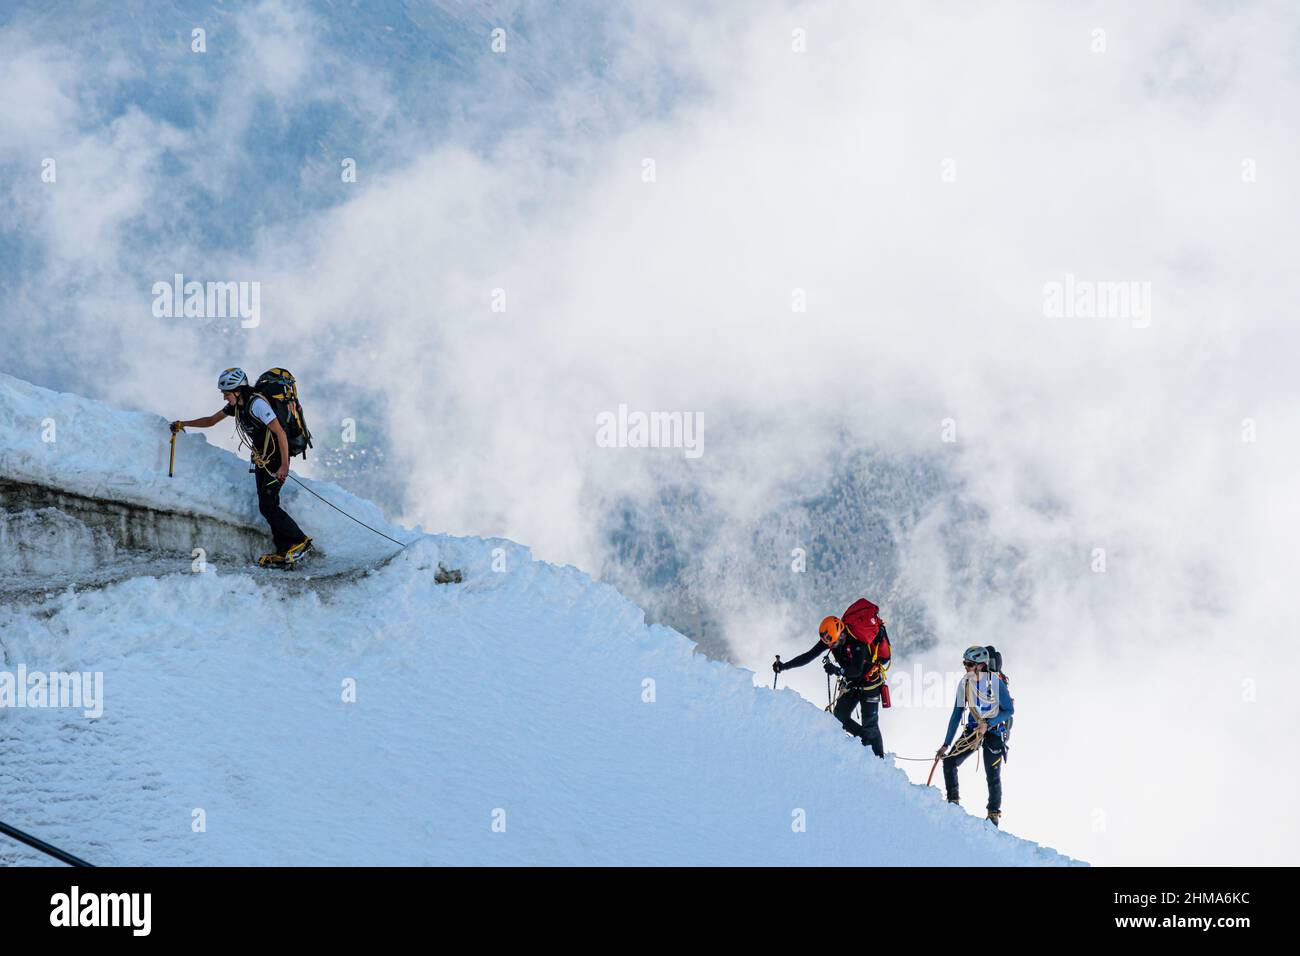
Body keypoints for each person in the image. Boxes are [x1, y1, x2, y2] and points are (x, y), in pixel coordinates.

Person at [171, 367, 312, 567]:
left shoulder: (257, 405)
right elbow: (211, 421)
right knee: (267, 504)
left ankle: (299, 541)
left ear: (237, 390)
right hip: (263, 458)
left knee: (268, 505)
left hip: (274, 460)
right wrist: (183, 423)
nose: (224, 398)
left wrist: (284, 466)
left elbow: (279, 432)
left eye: (226, 394)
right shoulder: (238, 405)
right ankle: (284, 550)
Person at [773, 611, 889, 757]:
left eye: (834, 642)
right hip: (852, 685)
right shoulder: (831, 639)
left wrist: (837, 670)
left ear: (841, 633)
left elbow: (857, 670)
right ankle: (866, 744)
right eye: (830, 644)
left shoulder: (857, 642)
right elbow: (808, 656)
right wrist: (784, 666)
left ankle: (880, 763)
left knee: (870, 726)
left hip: (870, 684)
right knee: (840, 716)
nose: (832, 646)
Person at [935, 645, 1014, 827]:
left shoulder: (995, 682)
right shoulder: (965, 683)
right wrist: (946, 745)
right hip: (974, 729)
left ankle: (993, 815)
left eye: (969, 664)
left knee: (992, 775)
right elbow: (956, 715)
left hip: (994, 732)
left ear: (980, 665)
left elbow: (1009, 710)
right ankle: (952, 803)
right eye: (965, 663)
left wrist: (988, 724)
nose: (965, 667)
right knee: (949, 762)